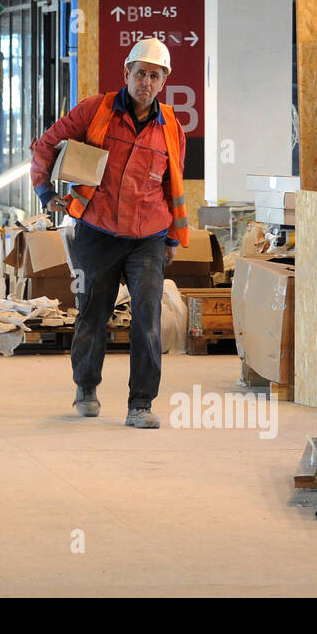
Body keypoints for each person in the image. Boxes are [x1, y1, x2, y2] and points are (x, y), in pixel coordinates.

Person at [30, 38, 188, 429]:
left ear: (164, 80)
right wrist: (45, 192)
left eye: (155, 76)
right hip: (96, 232)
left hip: (147, 237)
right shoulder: (95, 110)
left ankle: (140, 404)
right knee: (92, 314)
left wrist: (170, 238)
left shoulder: (171, 128)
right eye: (140, 74)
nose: (146, 82)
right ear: (126, 73)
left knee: (147, 318)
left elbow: (174, 185)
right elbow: (47, 144)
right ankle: (86, 386)